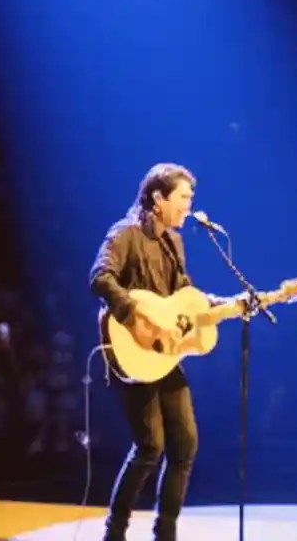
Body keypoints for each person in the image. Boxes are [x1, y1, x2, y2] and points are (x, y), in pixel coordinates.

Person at [89, 162, 207, 541]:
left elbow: (183, 297)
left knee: (185, 444)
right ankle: (115, 530)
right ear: (158, 198)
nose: (189, 206)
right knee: (150, 446)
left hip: (166, 354)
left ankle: (165, 533)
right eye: (184, 197)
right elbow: (100, 277)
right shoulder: (124, 234)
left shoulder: (174, 243)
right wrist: (136, 316)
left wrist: (224, 307)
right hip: (133, 355)